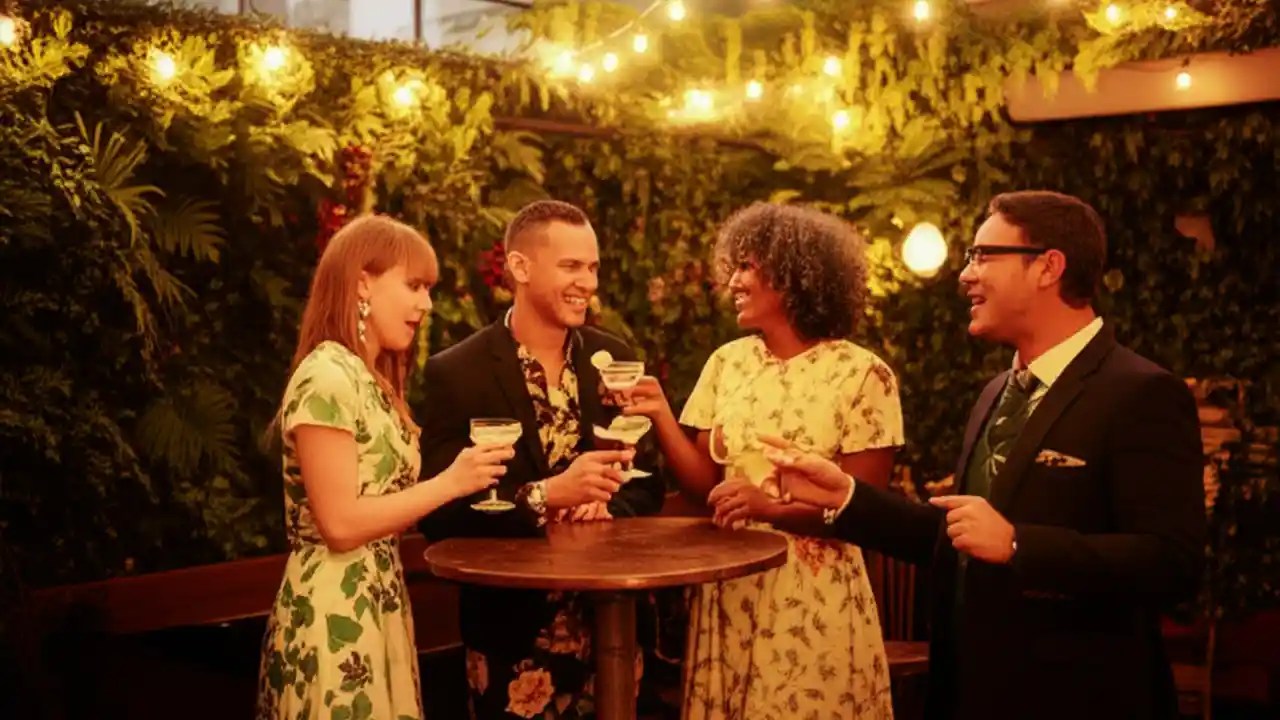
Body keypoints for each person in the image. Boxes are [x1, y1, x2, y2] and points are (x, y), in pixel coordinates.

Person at [765, 190, 1206, 720]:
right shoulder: (996, 392)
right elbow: (959, 537)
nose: (966, 275)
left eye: (983, 256)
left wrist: (1020, 544)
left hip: (1076, 698)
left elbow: (1171, 563)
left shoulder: (1141, 392)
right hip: (970, 691)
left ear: (1048, 267)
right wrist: (847, 497)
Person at [624, 202, 903, 719]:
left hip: (811, 596)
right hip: (731, 586)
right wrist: (660, 413)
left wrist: (767, 508)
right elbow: (703, 487)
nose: (733, 280)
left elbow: (862, 512)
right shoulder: (727, 363)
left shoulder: (865, 375)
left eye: (747, 266)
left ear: (796, 275)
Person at [256, 215, 514, 720]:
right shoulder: (327, 374)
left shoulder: (367, 378)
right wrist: (451, 482)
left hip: (376, 601)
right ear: (362, 283)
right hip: (334, 614)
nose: (427, 304)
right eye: (414, 286)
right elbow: (339, 524)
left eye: (429, 289)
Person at [416, 200, 666, 719]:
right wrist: (543, 497)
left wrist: (606, 505)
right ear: (520, 267)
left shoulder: (614, 359)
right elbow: (439, 514)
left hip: (613, 630)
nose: (587, 283)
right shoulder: (457, 372)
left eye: (592, 267)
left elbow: (648, 484)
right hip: (511, 639)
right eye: (571, 266)